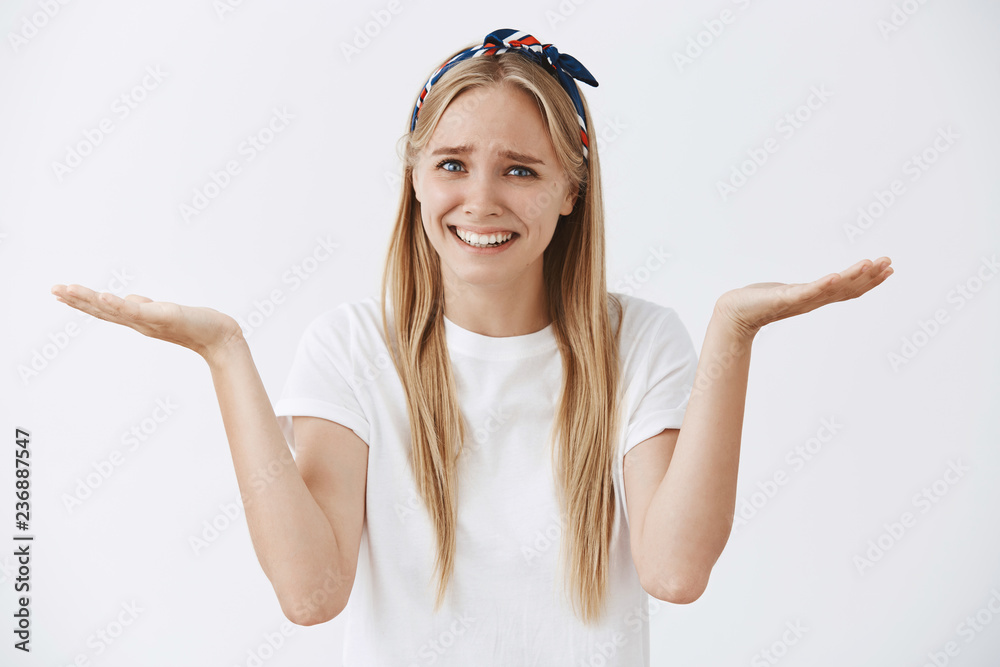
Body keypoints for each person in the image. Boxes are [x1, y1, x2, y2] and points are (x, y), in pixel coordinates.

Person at [51, 27, 893, 667]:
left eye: (520, 170)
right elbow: (311, 594)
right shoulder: (351, 349)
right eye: (452, 163)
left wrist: (732, 334)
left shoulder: (639, 341)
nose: (480, 199)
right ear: (414, 176)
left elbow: (675, 571)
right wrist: (226, 353)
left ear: (571, 190)